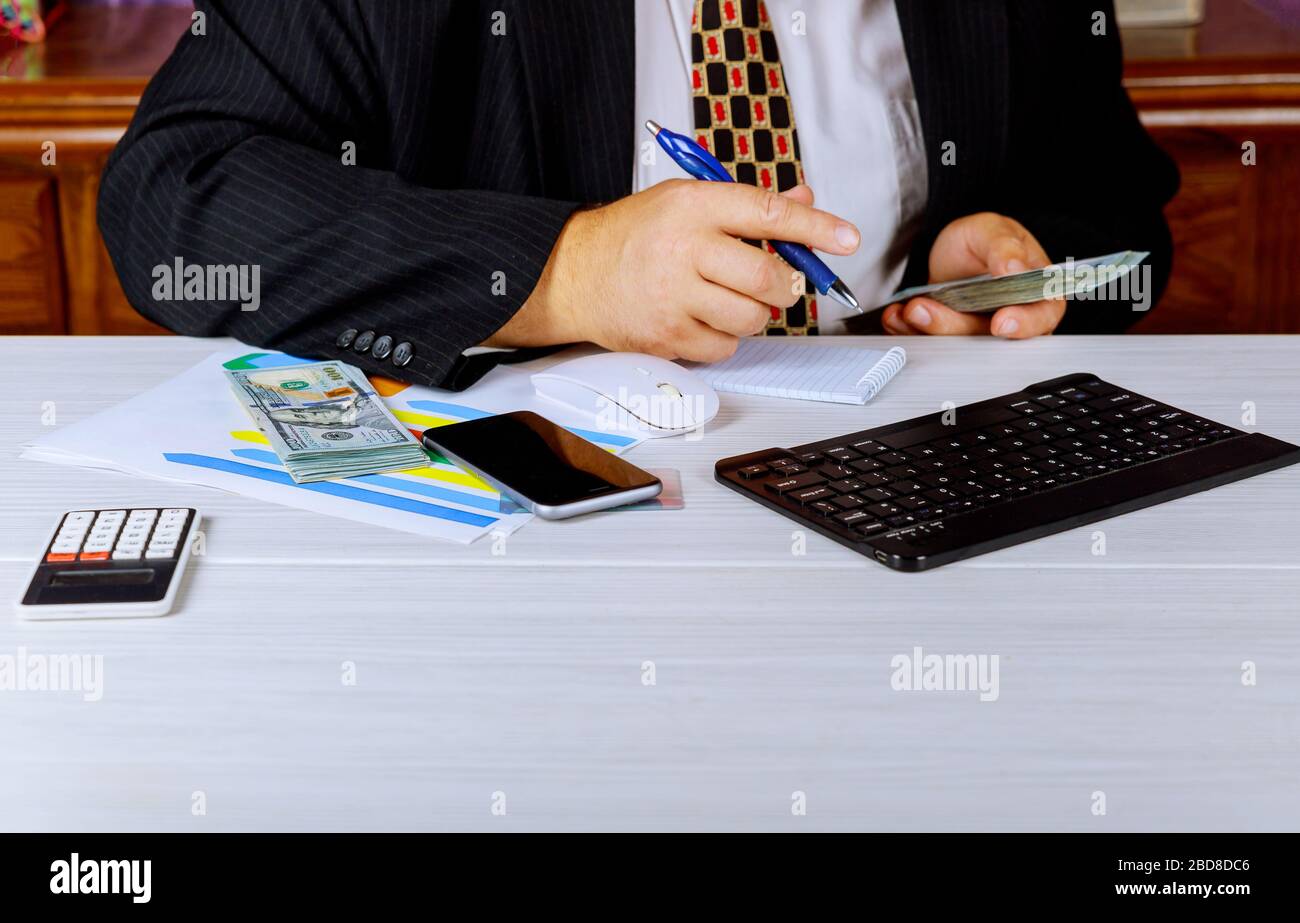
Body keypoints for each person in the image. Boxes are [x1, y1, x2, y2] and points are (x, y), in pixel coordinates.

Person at [99, 0, 1179, 392]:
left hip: (929, 471)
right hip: (558, 524)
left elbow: (1124, 216)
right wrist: (562, 272)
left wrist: (1026, 255)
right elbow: (174, 204)